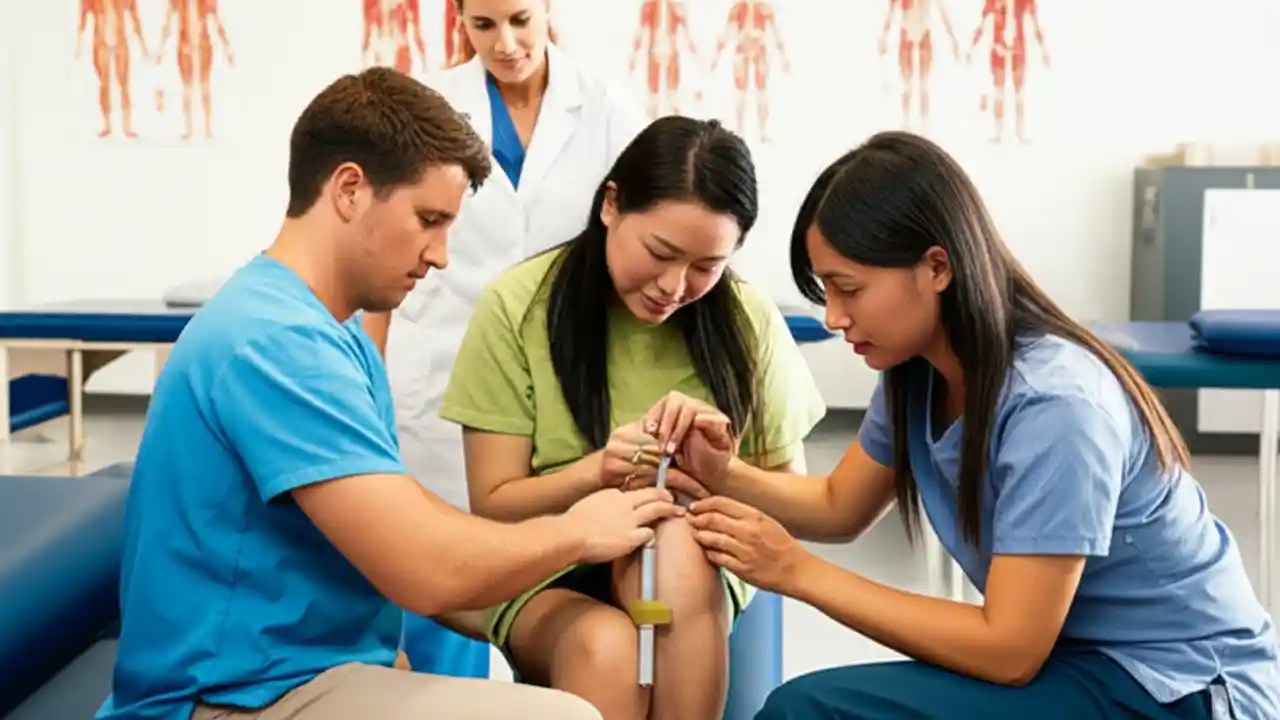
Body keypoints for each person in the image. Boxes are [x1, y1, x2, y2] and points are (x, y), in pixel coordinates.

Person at [94, 67, 684, 720]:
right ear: (349, 189)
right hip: (221, 701)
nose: (440, 256)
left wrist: (550, 603)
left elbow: (389, 539)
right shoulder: (272, 341)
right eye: (428, 220)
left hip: (303, 674)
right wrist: (575, 534)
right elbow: (422, 569)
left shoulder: (333, 331)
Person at [663, 131, 1280, 719]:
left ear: (937, 267)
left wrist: (795, 571)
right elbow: (837, 506)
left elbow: (1009, 651)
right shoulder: (918, 372)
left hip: (1181, 688)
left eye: (849, 289)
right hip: (1082, 664)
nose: (833, 316)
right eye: (826, 290)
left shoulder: (1055, 404)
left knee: (811, 711)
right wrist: (721, 472)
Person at [436, 115, 826, 719]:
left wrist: (719, 474)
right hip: (548, 561)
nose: (675, 286)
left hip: (690, 567)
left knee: (672, 547)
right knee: (607, 650)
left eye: (706, 266)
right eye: (661, 253)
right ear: (611, 205)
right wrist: (595, 474)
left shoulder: (746, 319)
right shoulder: (519, 306)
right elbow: (493, 505)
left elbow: (795, 503)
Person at [362, 0, 649, 680]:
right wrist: (367, 379)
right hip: (438, 378)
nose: (506, 43)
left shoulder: (607, 107)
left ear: (550, 10)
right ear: (459, 20)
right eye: (483, 25)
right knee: (437, 584)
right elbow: (380, 252)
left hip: (560, 387)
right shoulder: (430, 105)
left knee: (550, 592)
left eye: (521, 19)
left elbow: (643, 230)